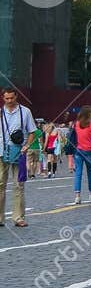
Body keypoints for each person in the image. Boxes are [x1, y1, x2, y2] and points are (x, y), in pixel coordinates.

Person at [1, 88, 36, 226]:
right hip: (1, 152)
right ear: (3, 98)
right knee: (0, 185)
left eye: (12, 98)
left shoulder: (25, 111)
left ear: (16, 96)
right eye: (7, 98)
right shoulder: (0, 112)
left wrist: (27, 145)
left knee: (19, 185)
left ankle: (18, 217)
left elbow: (33, 131)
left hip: (19, 152)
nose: (9, 101)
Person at [71, 106, 91, 204]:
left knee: (78, 173)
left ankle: (77, 196)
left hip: (78, 150)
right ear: (89, 114)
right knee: (90, 173)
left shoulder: (77, 124)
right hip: (89, 151)